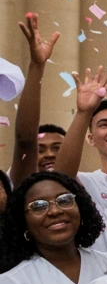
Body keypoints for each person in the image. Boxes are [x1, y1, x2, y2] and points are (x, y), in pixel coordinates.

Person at [53, 68, 107, 237]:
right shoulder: (87, 182)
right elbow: (61, 178)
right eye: (104, 125)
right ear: (90, 138)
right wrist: (84, 112)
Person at [11, 13, 62, 185]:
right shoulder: (24, 188)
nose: (49, 154)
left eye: (57, 148)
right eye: (39, 150)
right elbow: (25, 141)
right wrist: (37, 66)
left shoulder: (84, 184)